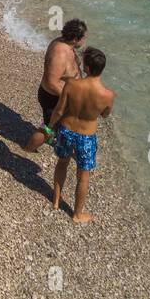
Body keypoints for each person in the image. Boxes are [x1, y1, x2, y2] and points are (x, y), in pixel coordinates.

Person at [47, 47, 115, 224]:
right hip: (86, 137)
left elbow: (59, 110)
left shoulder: (71, 84)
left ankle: (56, 200)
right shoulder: (108, 95)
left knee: (62, 164)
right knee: (83, 176)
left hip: (66, 130)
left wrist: (50, 128)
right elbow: (105, 114)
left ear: (87, 67)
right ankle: (77, 214)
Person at [23, 19, 87, 152]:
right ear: (75, 39)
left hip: (61, 96)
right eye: (84, 38)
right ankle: (27, 150)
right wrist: (70, 98)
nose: (85, 40)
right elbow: (51, 82)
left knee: (68, 126)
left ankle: (69, 145)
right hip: (53, 99)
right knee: (48, 129)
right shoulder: (60, 54)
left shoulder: (66, 44)